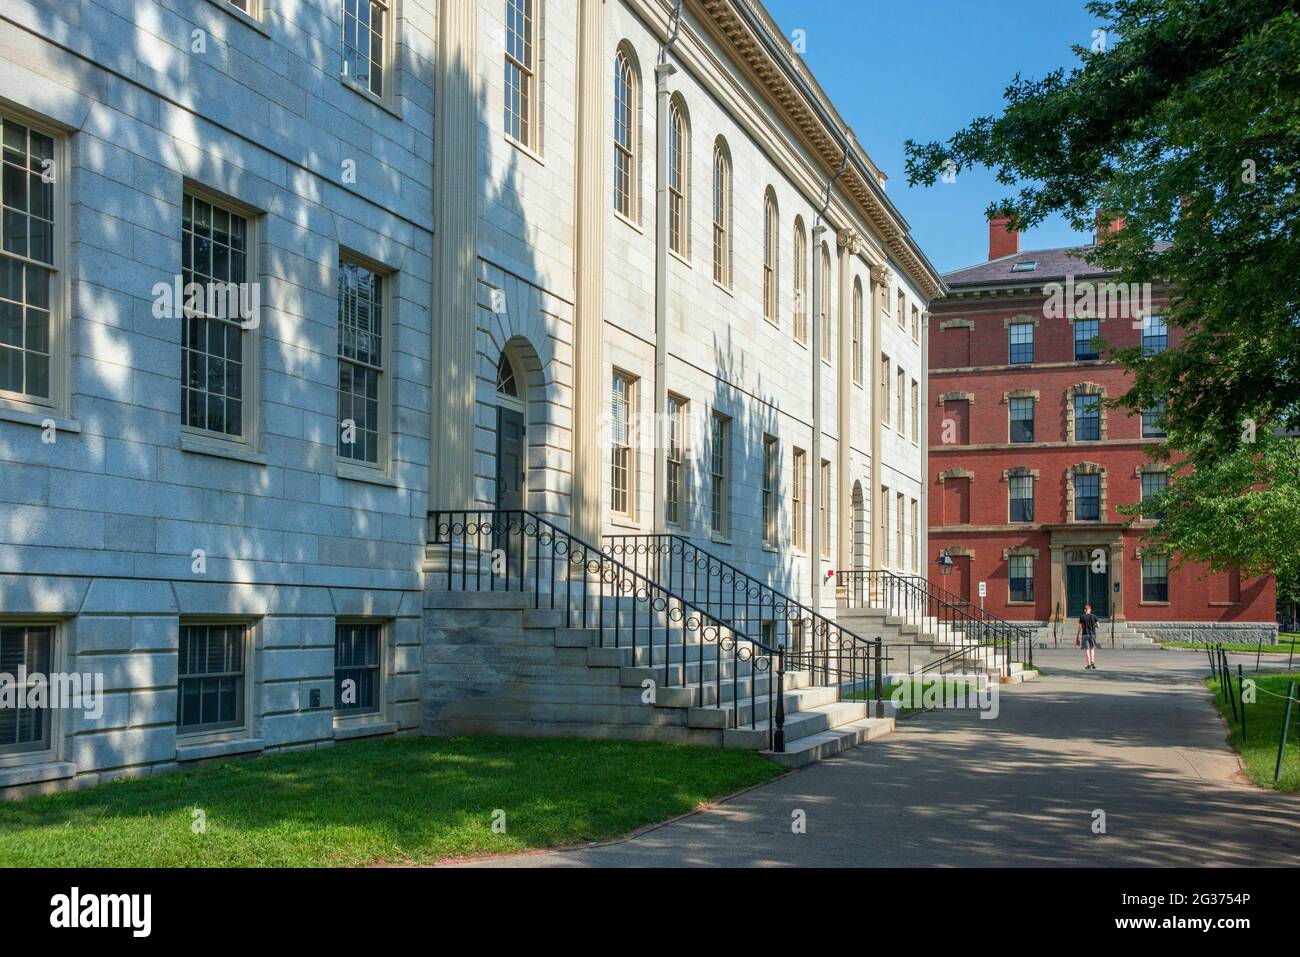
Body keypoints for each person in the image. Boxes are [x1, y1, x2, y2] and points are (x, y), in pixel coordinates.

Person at [1076, 603, 1099, 669]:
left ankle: (1088, 664)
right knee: (1092, 648)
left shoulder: (1082, 617)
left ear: (1084, 610)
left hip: (1085, 634)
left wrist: (1077, 635)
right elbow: (1098, 626)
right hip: (1092, 634)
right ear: (1090, 610)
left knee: (1087, 649)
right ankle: (1092, 662)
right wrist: (1093, 626)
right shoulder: (1094, 616)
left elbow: (1080, 627)